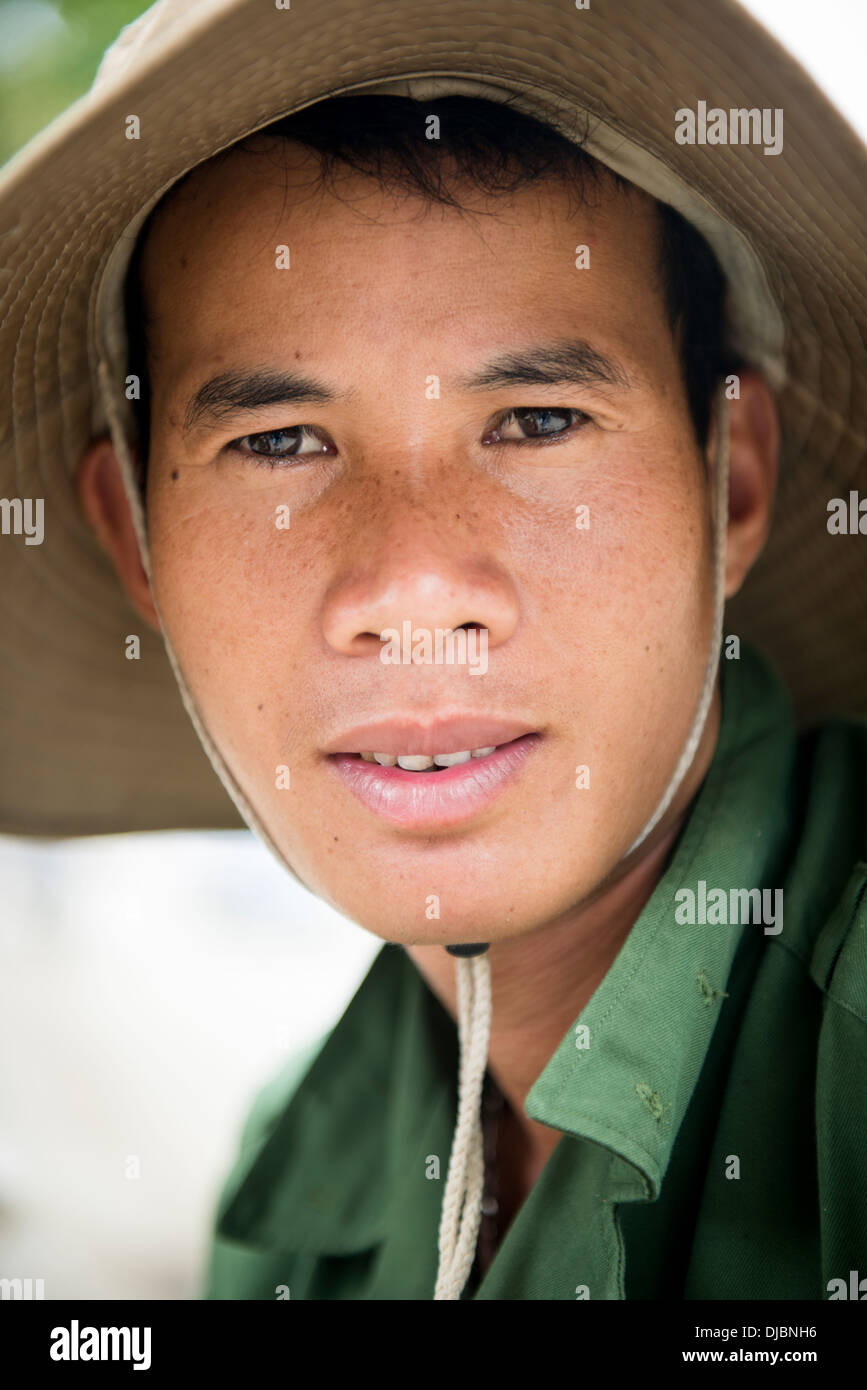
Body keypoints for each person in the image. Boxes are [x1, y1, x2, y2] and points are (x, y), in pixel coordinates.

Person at [0, 0, 864, 1301]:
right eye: (280, 443)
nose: (410, 588)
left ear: (730, 486)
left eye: (535, 419)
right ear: (138, 541)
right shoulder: (302, 1180)